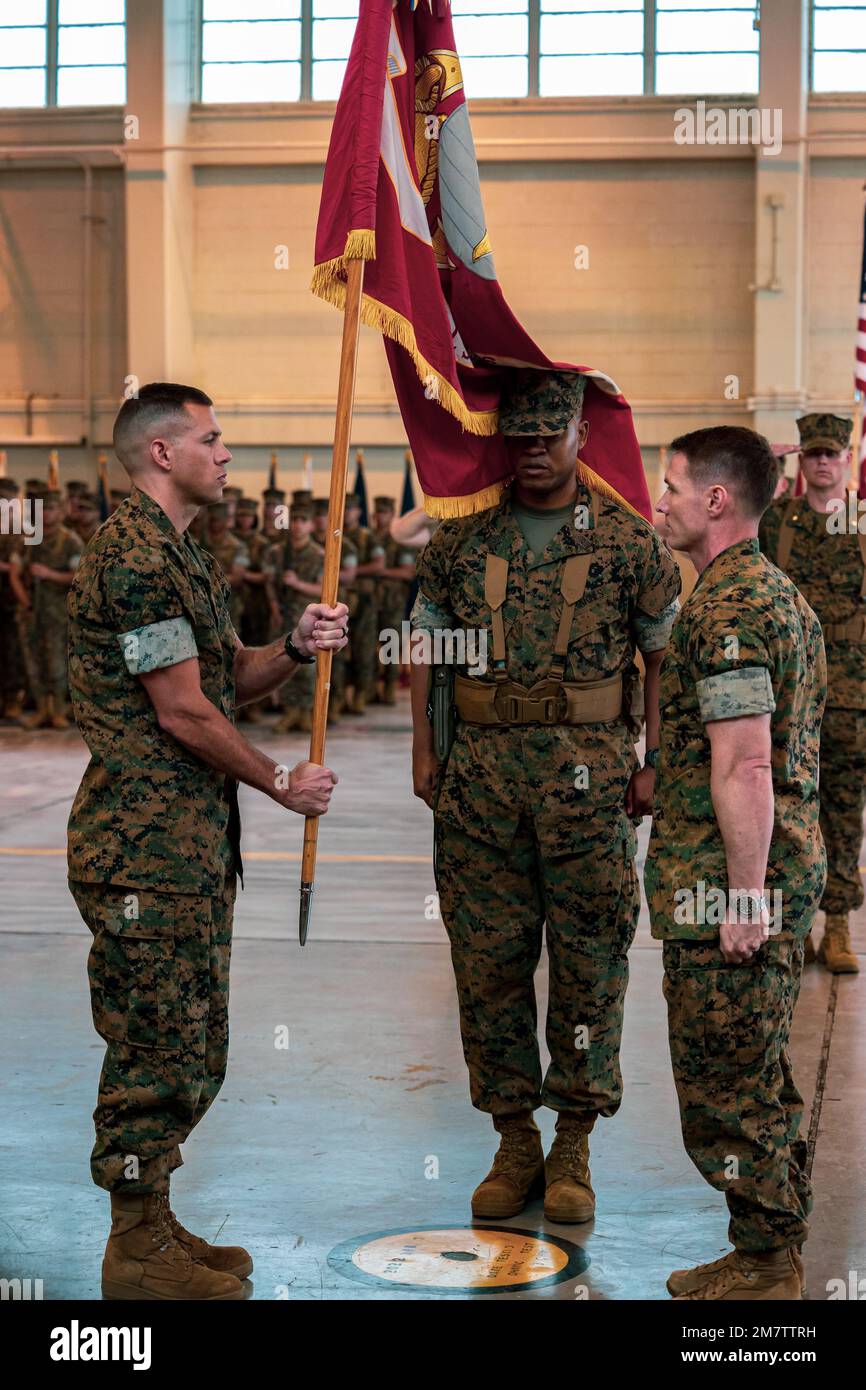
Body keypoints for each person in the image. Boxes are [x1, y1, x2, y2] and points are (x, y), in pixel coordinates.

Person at [66, 382, 348, 1301]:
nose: (225, 454)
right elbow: (182, 712)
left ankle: (154, 1220)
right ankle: (133, 1248)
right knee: (154, 1043)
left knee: (190, 1043)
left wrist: (295, 649)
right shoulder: (137, 558)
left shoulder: (182, 555)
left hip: (185, 846)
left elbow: (224, 681)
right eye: (212, 439)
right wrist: (276, 781)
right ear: (161, 453)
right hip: (143, 848)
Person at [410, 369, 680, 1223]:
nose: (532, 451)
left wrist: (658, 761)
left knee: (591, 962)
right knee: (486, 963)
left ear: (579, 440)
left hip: (592, 786)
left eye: (547, 436)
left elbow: (661, 657)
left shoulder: (630, 543)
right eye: (517, 437)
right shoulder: (459, 543)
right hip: (479, 784)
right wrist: (425, 752)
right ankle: (513, 1134)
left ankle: (573, 1141)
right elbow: (426, 649)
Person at [647, 426, 826, 1302]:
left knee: (725, 1084)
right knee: (757, 1070)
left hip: (731, 885)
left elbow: (746, 762)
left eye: (672, 485)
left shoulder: (728, 609)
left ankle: (765, 1264)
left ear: (716, 499)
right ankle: (768, 1245)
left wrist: (744, 899)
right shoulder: (772, 592)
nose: (660, 500)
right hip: (762, 872)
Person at [759, 414, 863, 973]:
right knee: (785, 807)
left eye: (832, 454)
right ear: (801, 461)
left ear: (847, 459)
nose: (822, 463)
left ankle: (838, 923)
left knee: (845, 812)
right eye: (813, 454)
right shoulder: (778, 523)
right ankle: (793, 922)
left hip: (853, 695)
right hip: (789, 695)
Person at [9, 487, 81, 729]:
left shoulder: (69, 541)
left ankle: (58, 710)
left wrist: (50, 574)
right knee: (33, 662)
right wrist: (24, 600)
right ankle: (41, 709)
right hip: (31, 611)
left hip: (58, 612)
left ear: (60, 512)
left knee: (57, 663)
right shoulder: (29, 539)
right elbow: (15, 573)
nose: (46, 515)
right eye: (41, 510)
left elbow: (78, 576)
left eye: (50, 509)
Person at [266, 504, 325, 734]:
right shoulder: (276, 552)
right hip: (283, 614)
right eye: (295, 520)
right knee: (284, 662)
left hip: (306, 616)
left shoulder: (319, 554)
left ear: (311, 525)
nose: (298, 525)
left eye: (304, 520)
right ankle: (289, 711)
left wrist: (297, 584)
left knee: (309, 667)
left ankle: (306, 711)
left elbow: (323, 590)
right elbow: (269, 583)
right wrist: (273, 606)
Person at [342, 492, 384, 714]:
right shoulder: (335, 535)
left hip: (364, 601)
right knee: (339, 652)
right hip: (340, 600)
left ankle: (360, 694)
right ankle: (339, 698)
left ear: (358, 512)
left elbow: (379, 565)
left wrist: (351, 572)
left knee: (363, 650)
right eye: (344, 508)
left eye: (351, 509)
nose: (347, 513)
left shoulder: (368, 537)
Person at [371, 495, 415, 705]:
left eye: (386, 512)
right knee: (367, 647)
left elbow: (408, 573)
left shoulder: (400, 540)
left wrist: (382, 571)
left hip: (393, 602)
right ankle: (370, 689)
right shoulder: (368, 538)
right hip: (369, 602)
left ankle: (389, 687)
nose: (382, 517)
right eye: (379, 512)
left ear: (392, 515)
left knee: (391, 646)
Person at [0, 476, 25, 720]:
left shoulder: (22, 528)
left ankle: (11, 701)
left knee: (10, 650)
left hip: (9, 598)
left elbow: (24, 565)